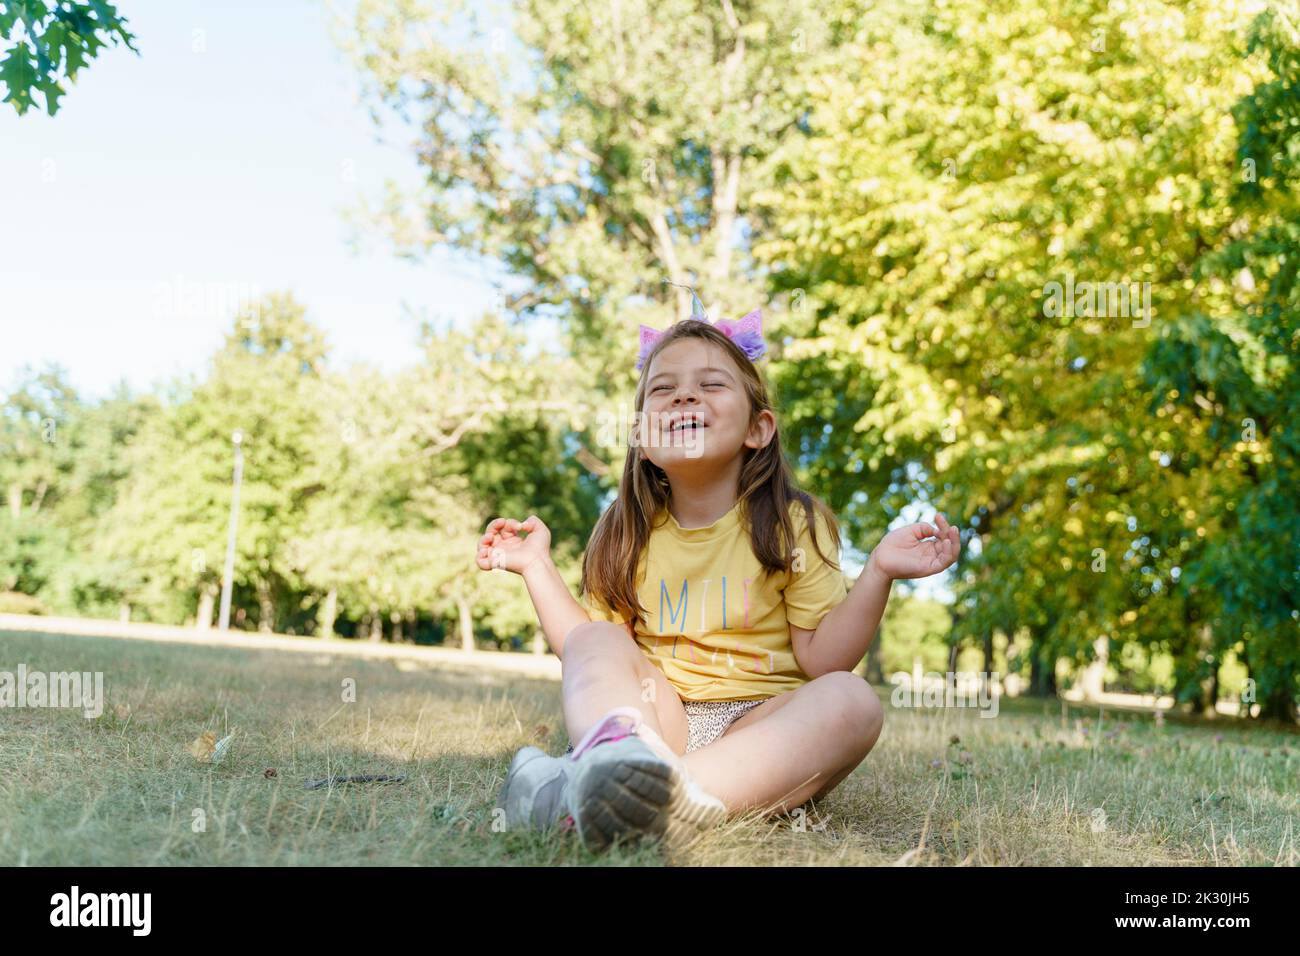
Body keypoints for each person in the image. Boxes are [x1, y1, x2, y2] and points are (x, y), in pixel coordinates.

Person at [476, 298, 960, 852]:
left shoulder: (793, 523)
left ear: (759, 429)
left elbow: (823, 660)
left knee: (853, 700)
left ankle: (607, 797)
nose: (684, 395)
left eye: (711, 385)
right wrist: (536, 566)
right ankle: (625, 766)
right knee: (601, 637)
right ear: (640, 435)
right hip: (658, 722)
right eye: (663, 388)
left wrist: (877, 572)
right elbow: (585, 649)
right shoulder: (623, 529)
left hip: (761, 735)